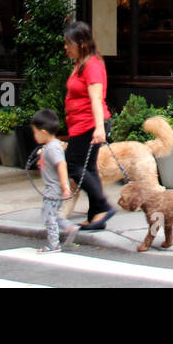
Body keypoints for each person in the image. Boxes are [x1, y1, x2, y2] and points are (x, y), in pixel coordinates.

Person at [63, 21, 115, 230]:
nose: (66, 47)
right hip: (81, 124)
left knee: (73, 164)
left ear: (82, 43)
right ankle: (96, 215)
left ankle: (103, 206)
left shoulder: (92, 65)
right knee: (88, 168)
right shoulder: (81, 64)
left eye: (69, 43)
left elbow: (96, 99)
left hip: (89, 125)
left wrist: (99, 128)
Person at [31, 109, 79, 253]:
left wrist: (65, 186)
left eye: (35, 132)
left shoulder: (53, 148)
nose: (34, 136)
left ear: (43, 132)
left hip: (54, 189)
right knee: (52, 214)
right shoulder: (51, 146)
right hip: (52, 188)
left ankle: (54, 244)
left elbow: (61, 165)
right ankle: (69, 227)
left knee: (49, 216)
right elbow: (52, 164)